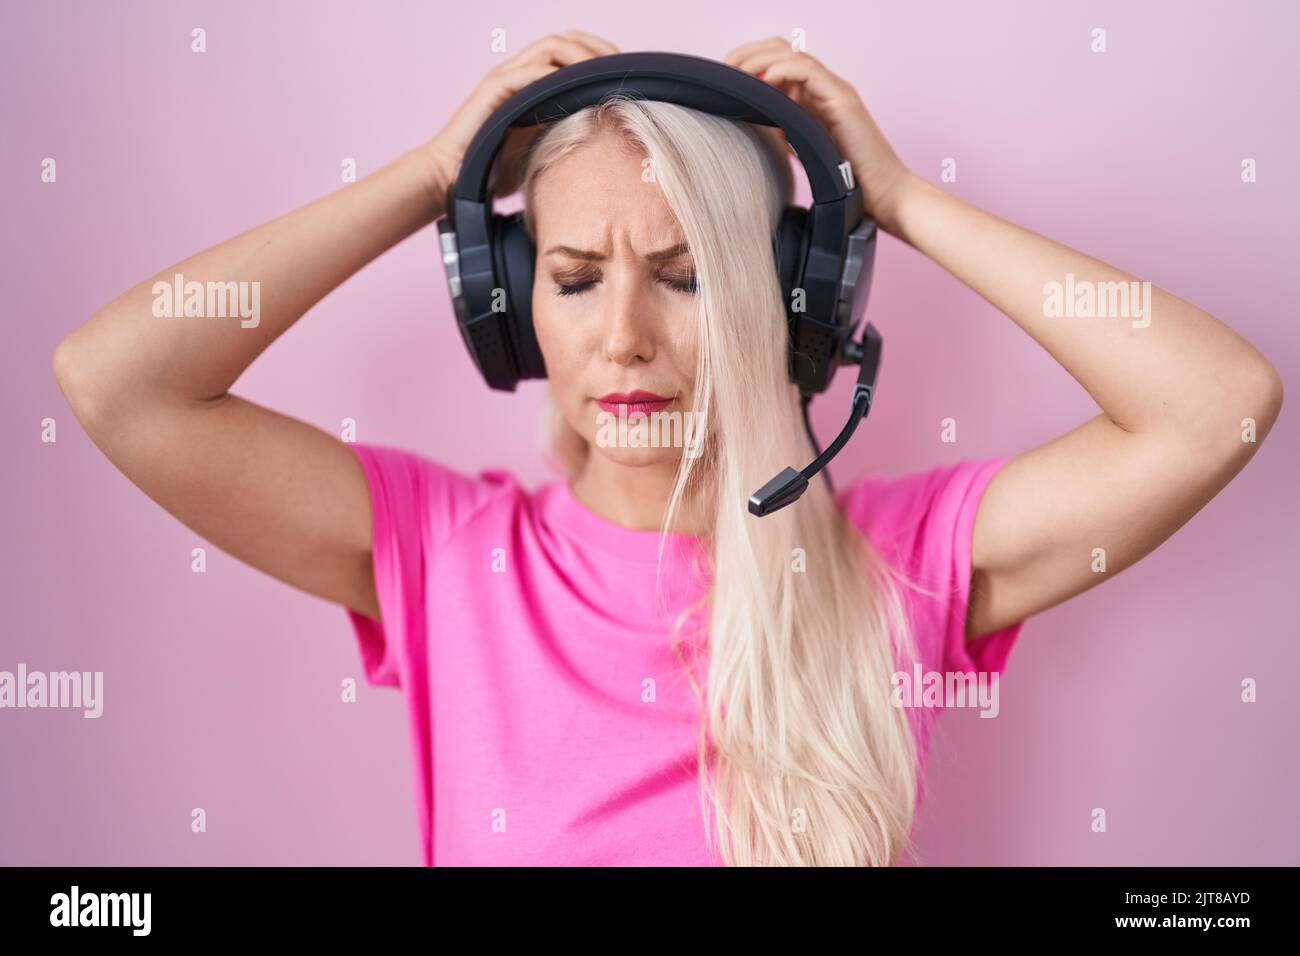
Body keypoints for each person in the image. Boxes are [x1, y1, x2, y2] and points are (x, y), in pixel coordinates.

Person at [52, 31, 1283, 867]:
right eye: (576, 279)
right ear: (507, 301)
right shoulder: (444, 555)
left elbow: (1216, 399)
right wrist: (431, 179)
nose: (627, 337)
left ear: (789, 302)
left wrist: (892, 201)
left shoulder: (894, 562)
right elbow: (116, 381)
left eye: (688, 278)